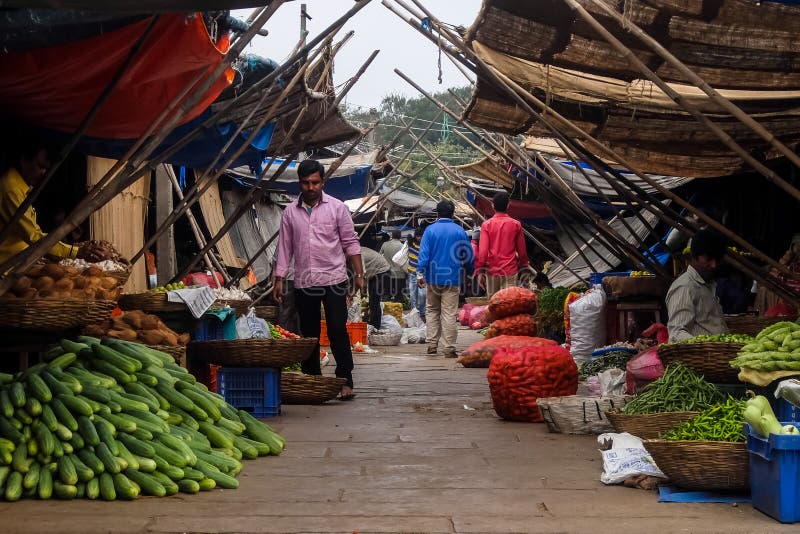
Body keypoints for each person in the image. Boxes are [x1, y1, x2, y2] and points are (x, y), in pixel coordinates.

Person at [273, 159, 364, 400]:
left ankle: (345, 380)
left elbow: (350, 242)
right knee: (310, 334)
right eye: (305, 183)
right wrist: (278, 278)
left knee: (336, 329)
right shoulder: (290, 212)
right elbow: (284, 248)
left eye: (315, 182)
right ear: (300, 184)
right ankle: (312, 380)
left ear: (322, 182)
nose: (310, 187)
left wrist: (360, 275)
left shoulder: (337, 208)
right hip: (305, 281)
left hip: (333, 278)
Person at [0, 135, 105, 265]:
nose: (43, 173)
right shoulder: (11, 189)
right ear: (24, 160)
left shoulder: (23, 188)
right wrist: (75, 252)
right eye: (40, 166)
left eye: (46, 168)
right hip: (6, 268)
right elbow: (33, 236)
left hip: (21, 262)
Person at [417, 200, 474, 358]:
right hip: (452, 278)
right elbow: (467, 255)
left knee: (432, 310)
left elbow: (424, 254)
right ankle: (449, 348)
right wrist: (470, 271)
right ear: (453, 214)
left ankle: (432, 345)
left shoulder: (429, 230)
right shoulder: (459, 231)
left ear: (437, 213)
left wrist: (420, 274)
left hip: (433, 277)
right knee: (449, 313)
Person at [665, 229, 729, 342]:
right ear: (693, 257)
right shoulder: (685, 287)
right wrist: (706, 346)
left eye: (717, 260)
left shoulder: (707, 284)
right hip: (701, 356)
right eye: (708, 259)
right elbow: (676, 333)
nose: (714, 265)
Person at [475, 192, 529, 297]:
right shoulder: (516, 225)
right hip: (510, 271)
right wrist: (524, 268)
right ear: (508, 205)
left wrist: (480, 271)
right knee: (509, 305)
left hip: (492, 271)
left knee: (493, 305)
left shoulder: (486, 225)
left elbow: (483, 252)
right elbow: (522, 252)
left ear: (493, 205)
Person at [360, 247, 391, 329]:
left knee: (374, 301)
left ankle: (375, 326)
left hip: (382, 272)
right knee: (372, 301)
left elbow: (360, 277)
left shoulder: (357, 255)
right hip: (374, 274)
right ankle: (373, 323)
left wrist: (359, 292)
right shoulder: (356, 252)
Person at [379, 229, 406, 301]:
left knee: (387, 294)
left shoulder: (385, 244)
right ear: (400, 236)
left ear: (392, 236)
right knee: (399, 296)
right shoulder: (402, 247)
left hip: (387, 273)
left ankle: (385, 310)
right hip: (400, 274)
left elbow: (379, 257)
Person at [407, 226, 426, 321]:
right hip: (412, 274)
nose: (420, 238)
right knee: (412, 295)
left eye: (421, 236)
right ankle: (414, 313)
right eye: (418, 236)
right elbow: (409, 236)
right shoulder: (411, 243)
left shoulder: (425, 245)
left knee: (422, 295)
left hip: (422, 274)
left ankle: (422, 313)